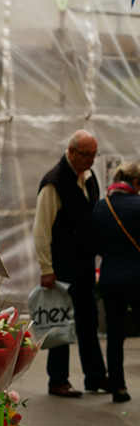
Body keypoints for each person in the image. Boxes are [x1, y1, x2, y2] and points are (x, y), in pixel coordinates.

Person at [34, 129, 108, 398]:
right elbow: (41, 230)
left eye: (93, 155)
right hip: (62, 263)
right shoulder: (54, 182)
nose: (90, 160)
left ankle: (96, 376)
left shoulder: (89, 178)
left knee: (88, 320)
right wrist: (46, 269)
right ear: (72, 152)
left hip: (84, 261)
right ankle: (57, 380)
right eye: (86, 155)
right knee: (60, 322)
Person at [88, 161, 140, 403]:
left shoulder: (100, 207)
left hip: (110, 277)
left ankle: (118, 388)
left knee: (115, 333)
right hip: (137, 276)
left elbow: (93, 245)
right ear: (135, 183)